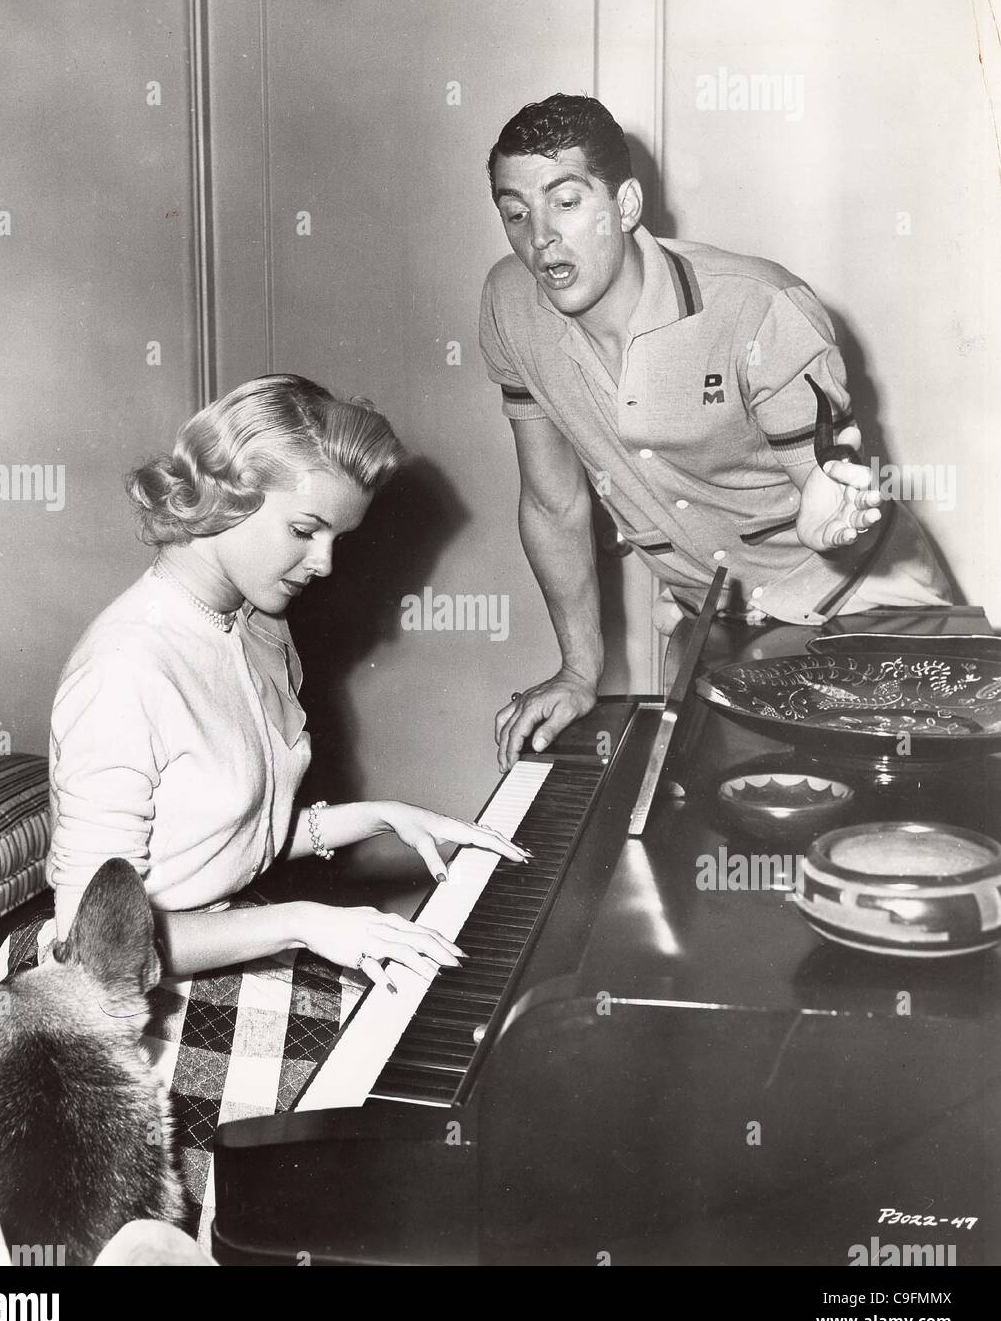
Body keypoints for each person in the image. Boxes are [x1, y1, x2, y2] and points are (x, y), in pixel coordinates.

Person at [479, 94, 951, 771]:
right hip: (717, 628)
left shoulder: (758, 308)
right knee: (696, 828)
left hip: (866, 608)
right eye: (515, 213)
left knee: (887, 821)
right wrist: (578, 672)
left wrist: (827, 508)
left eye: (565, 201)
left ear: (626, 206)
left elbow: (824, 482)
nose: (540, 238)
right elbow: (553, 504)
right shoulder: (507, 306)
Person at [47, 373, 529, 989]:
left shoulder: (252, 623)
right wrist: (302, 923)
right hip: (130, 996)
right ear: (227, 494)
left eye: (337, 539)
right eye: (305, 531)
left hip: (230, 934)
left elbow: (234, 843)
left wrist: (383, 816)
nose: (325, 563)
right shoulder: (123, 668)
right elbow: (92, 955)